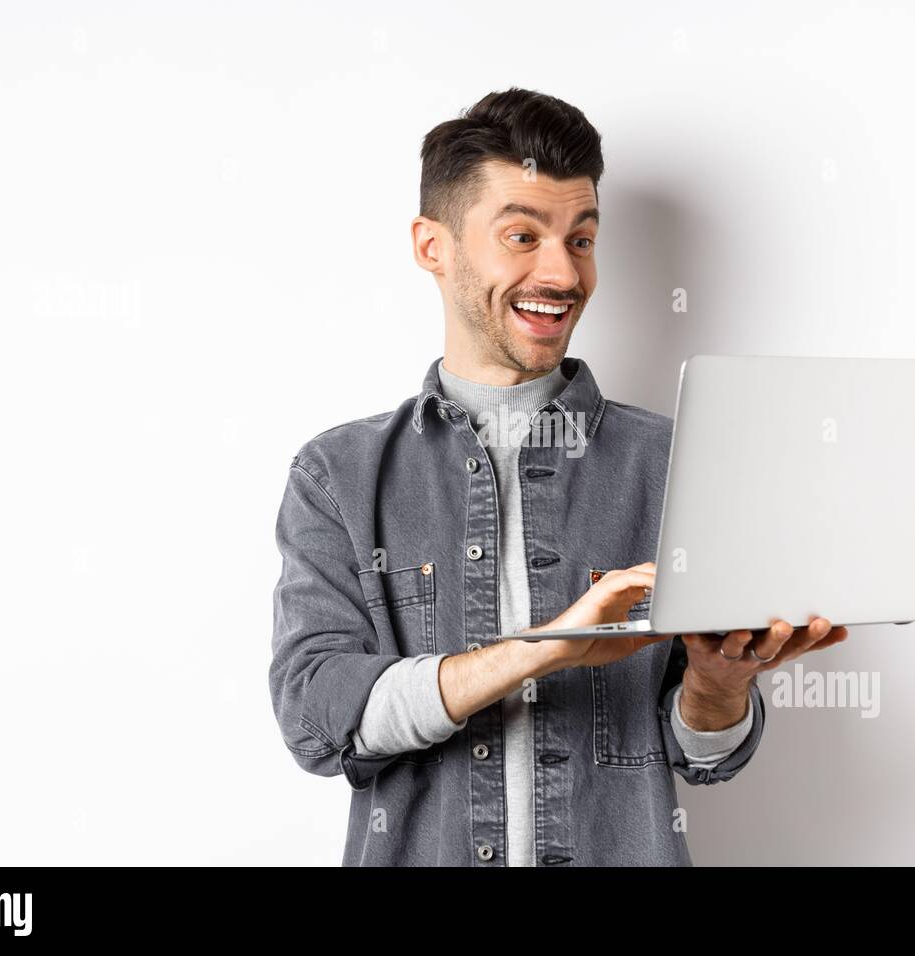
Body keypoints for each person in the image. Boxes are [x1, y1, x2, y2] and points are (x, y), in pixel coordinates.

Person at [268, 88, 848, 866]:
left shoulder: (676, 463)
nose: (562, 272)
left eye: (581, 240)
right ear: (433, 247)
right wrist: (548, 647)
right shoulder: (338, 476)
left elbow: (705, 755)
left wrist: (718, 685)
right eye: (522, 236)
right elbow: (316, 717)